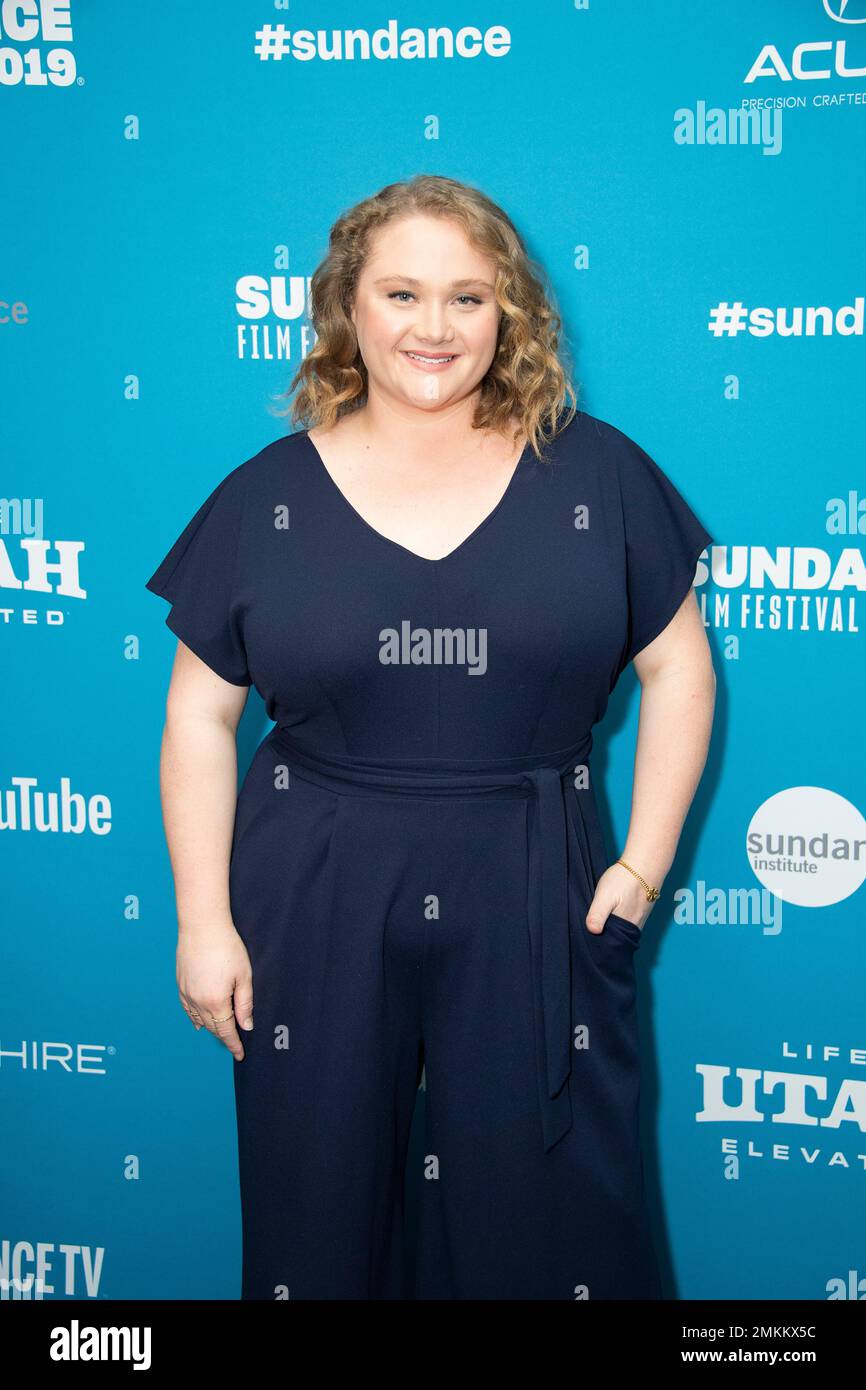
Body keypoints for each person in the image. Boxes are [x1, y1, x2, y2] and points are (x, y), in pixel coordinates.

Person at [145, 173, 716, 1301]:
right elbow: (198, 715)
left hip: (534, 881)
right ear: (346, 307)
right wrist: (203, 922)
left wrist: (641, 868)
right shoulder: (264, 497)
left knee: (550, 1222)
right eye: (401, 293)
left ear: (509, 313)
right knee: (319, 1216)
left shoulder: (597, 474)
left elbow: (680, 671)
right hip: (315, 888)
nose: (433, 326)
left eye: (468, 297)